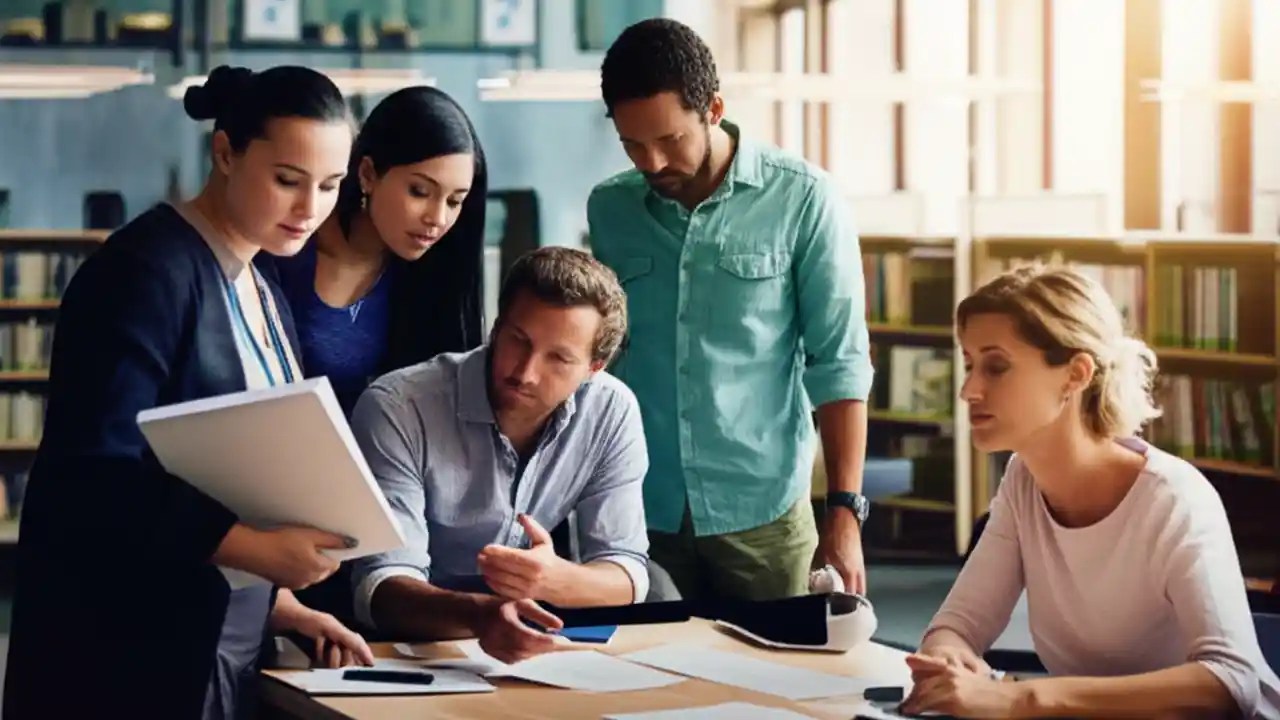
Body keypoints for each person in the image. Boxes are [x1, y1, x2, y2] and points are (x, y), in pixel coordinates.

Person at [4, 66, 374, 720]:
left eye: (330, 185)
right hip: (124, 646)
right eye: (287, 180)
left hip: (217, 634)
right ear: (225, 152)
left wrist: (281, 603)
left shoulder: (261, 283)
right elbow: (100, 470)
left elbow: (231, 466)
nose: (309, 209)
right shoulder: (142, 273)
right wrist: (257, 551)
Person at [902, 265, 1280, 718]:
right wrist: (948, 657)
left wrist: (1022, 698)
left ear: (1075, 374)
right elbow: (958, 625)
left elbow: (1230, 682)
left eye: (996, 366)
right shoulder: (1023, 482)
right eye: (969, 364)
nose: (968, 390)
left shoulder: (1173, 498)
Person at [586, 18, 874, 602]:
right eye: (632, 144)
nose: (651, 160)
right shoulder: (611, 209)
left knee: (777, 683)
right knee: (641, 684)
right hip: (641, 508)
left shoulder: (803, 198)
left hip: (762, 512)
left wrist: (844, 514)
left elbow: (838, 362)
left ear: (713, 108)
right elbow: (604, 359)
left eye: (668, 140)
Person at [348, 246, 649, 664]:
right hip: (412, 649)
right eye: (517, 340)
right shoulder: (399, 407)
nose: (525, 372)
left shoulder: (612, 410)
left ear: (594, 368)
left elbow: (627, 570)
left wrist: (556, 579)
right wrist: (481, 615)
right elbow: (379, 588)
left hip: (535, 642)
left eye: (559, 358)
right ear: (495, 328)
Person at [265, 85, 486, 417]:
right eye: (420, 191)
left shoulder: (429, 277)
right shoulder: (288, 245)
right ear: (368, 174)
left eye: (454, 201)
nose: (437, 219)